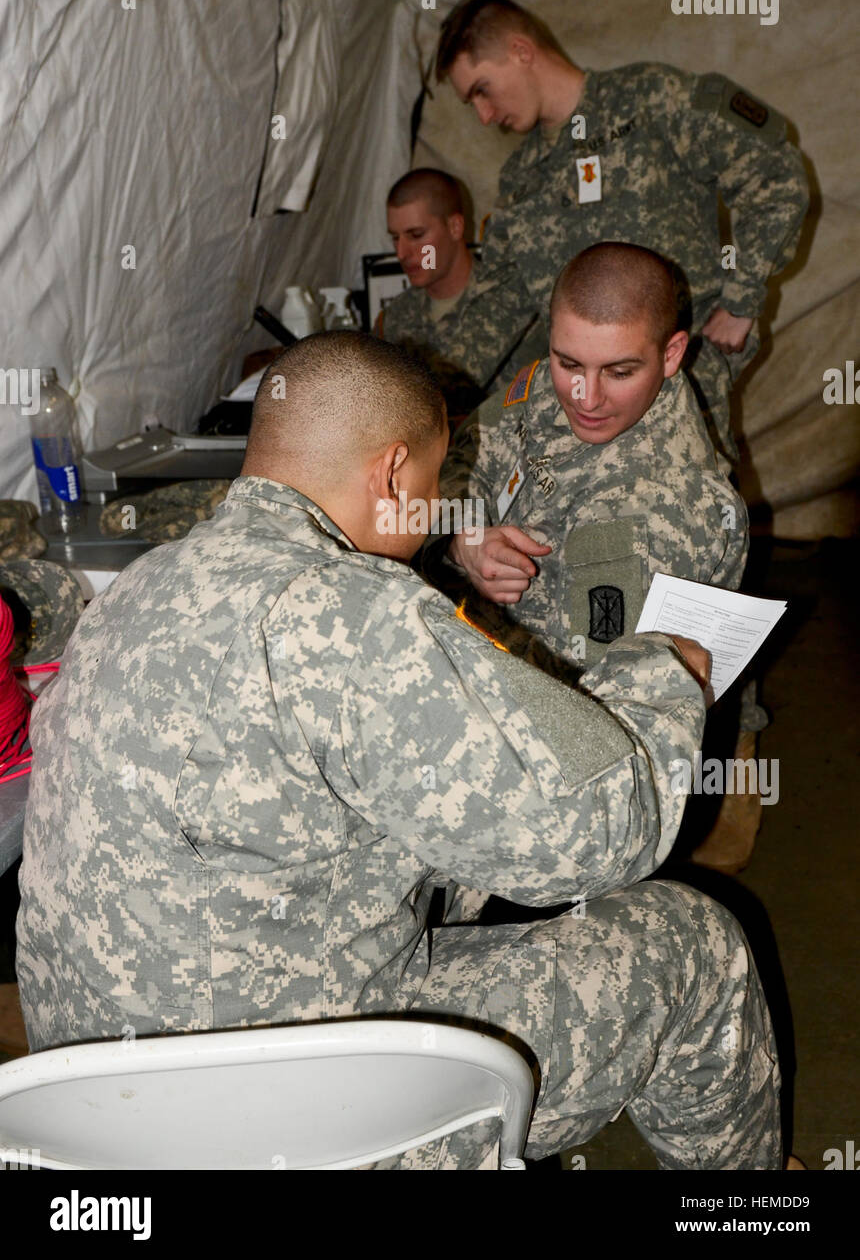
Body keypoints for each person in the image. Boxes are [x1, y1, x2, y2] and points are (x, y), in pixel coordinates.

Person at [17, 333, 782, 1169]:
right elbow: (603, 833)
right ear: (391, 474)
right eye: (429, 488)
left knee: (459, 867)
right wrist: (663, 669)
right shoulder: (358, 609)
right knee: (693, 948)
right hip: (296, 1125)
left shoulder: (134, 589)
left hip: (91, 1120)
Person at [434, 0, 809, 460]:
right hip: (583, 412)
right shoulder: (522, 177)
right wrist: (423, 393)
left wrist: (742, 299)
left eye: (482, 90)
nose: (484, 116)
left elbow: (774, 173)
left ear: (520, 51)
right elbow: (496, 305)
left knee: (686, 521)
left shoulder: (648, 100)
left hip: (675, 387)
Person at [426, 242, 748, 680]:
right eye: (569, 363)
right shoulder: (551, 377)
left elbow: (578, 698)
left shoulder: (659, 511)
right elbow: (467, 452)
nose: (587, 397)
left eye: (620, 373)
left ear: (671, 354)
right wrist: (462, 538)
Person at [375, 168, 539, 418]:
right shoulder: (397, 316)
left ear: (455, 227)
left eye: (416, 235)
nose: (402, 253)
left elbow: (446, 390)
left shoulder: (509, 294)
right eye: (395, 238)